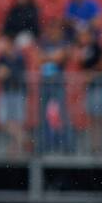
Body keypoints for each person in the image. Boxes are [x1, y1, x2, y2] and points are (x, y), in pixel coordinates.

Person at [0, 35, 29, 155]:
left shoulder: (20, 57)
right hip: (6, 92)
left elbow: (20, 74)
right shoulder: (2, 58)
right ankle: (24, 139)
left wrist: (7, 72)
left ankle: (16, 149)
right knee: (4, 121)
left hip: (18, 92)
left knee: (17, 121)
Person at [36, 19, 72, 152]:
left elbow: (61, 57)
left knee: (61, 113)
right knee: (44, 114)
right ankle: (46, 144)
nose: (53, 32)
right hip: (45, 82)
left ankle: (67, 144)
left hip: (57, 82)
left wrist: (48, 57)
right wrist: (52, 57)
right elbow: (39, 59)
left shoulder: (63, 43)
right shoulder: (44, 43)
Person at [78, 24, 102, 153]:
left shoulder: (97, 48)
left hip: (99, 86)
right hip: (91, 87)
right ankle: (95, 146)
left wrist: (92, 74)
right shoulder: (84, 49)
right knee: (93, 118)